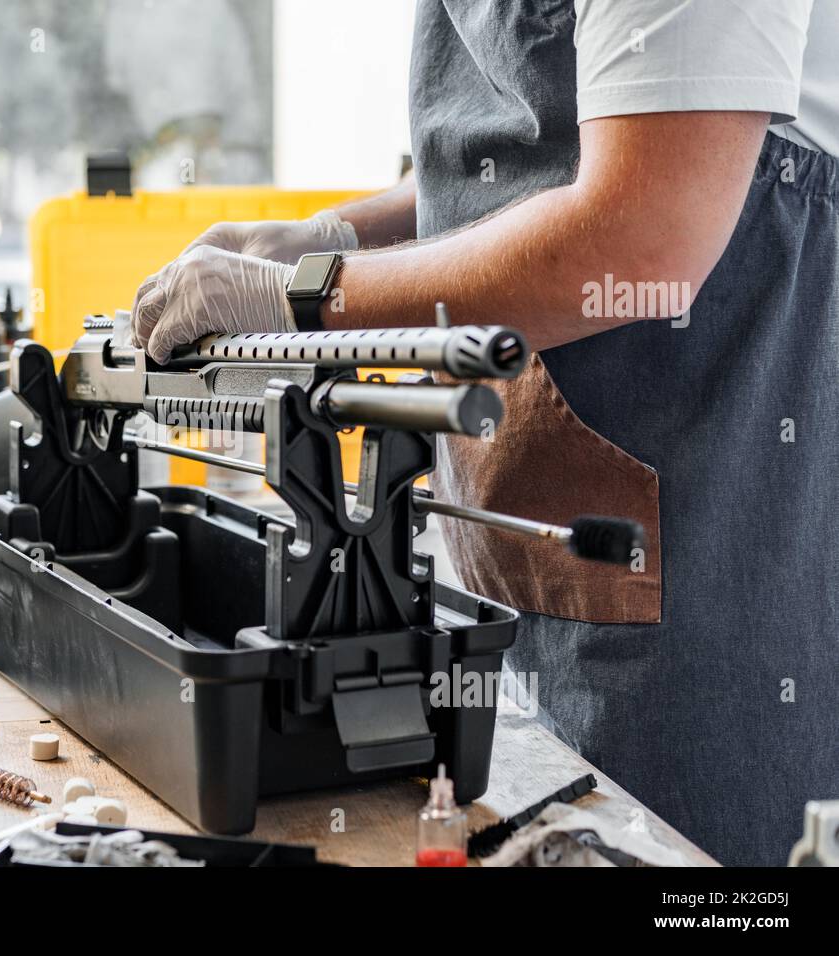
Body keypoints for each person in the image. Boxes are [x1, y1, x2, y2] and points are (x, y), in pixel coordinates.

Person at [131, 0, 839, 866]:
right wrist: (333, 237)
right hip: (524, 533)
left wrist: (310, 299)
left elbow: (647, 237)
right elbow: (521, 159)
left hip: (709, 522)